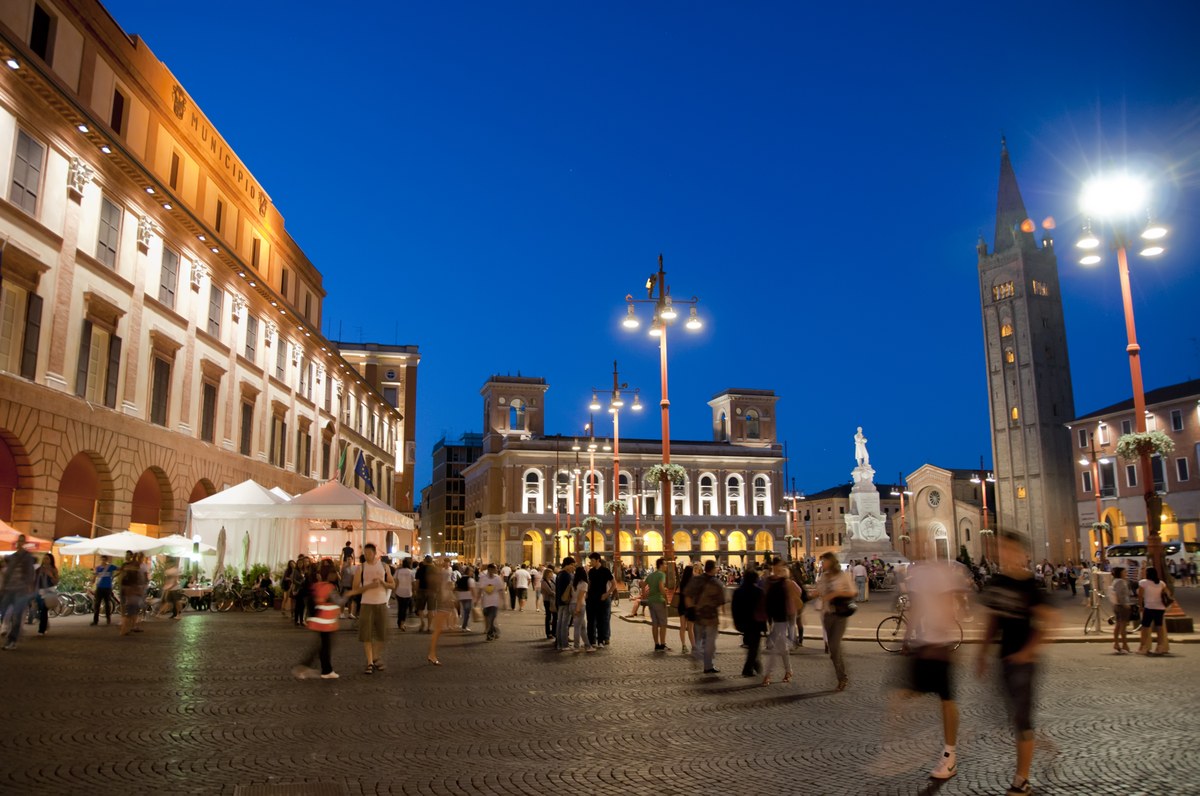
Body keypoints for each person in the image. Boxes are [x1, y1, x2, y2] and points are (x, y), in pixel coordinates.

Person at [976, 529, 1057, 796]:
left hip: (1023, 662)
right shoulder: (997, 582)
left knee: (1021, 719)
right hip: (1004, 659)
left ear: (1022, 554)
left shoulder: (1030, 586)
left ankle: (1021, 779)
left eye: (1010, 549)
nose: (1005, 554)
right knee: (1011, 716)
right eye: (1001, 549)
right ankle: (1031, 743)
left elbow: (1048, 622)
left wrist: (1027, 652)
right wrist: (982, 652)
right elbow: (992, 619)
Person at [896, 558, 970, 780]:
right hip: (925, 643)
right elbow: (918, 608)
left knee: (947, 700)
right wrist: (907, 637)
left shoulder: (939, 572)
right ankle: (898, 749)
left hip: (939, 644)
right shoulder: (917, 574)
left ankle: (950, 755)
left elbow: (949, 604)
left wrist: (943, 638)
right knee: (906, 693)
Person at [293, 558, 342, 679]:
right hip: (325, 622)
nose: (336, 575)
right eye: (334, 573)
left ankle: (325, 669)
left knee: (321, 646)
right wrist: (351, 593)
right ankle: (310, 668)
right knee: (322, 646)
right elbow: (339, 601)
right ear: (329, 574)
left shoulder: (318, 585)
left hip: (319, 620)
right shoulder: (328, 587)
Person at [350, 543, 393, 674]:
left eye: (369, 553)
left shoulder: (384, 566)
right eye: (365, 553)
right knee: (366, 634)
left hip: (381, 602)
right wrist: (369, 586)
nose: (367, 555)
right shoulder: (361, 568)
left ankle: (375, 657)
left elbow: (392, 584)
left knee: (382, 635)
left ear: (375, 553)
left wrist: (383, 583)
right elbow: (355, 588)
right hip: (366, 603)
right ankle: (369, 662)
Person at [817, 551, 856, 691]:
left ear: (831, 562)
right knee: (834, 650)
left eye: (824, 561)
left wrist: (837, 593)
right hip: (827, 614)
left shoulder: (843, 576)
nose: (822, 564)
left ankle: (842, 677)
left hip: (840, 615)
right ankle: (839, 668)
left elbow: (853, 592)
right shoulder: (823, 576)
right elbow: (820, 593)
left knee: (834, 645)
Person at [760, 558, 802, 685]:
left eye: (779, 566)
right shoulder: (770, 581)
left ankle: (768, 674)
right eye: (775, 566)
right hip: (775, 617)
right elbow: (766, 597)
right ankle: (789, 671)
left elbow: (799, 592)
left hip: (784, 616)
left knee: (774, 648)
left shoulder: (786, 582)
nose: (777, 568)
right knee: (782, 647)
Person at [685, 560, 726, 674]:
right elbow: (722, 601)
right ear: (713, 569)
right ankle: (708, 664)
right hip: (711, 617)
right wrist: (724, 616)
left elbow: (687, 595)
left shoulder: (696, 580)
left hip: (698, 615)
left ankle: (698, 652)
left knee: (699, 638)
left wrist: (691, 609)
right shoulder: (716, 583)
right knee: (710, 642)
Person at [0, 535, 37, 650]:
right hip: (9, 589)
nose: (19, 543)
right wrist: (4, 587)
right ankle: (12, 634)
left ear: (24, 542)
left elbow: (30, 574)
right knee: (4, 612)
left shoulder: (27, 557)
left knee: (16, 615)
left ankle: (12, 640)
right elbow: (8, 574)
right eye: (18, 541)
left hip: (20, 591)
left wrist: (28, 587)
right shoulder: (12, 557)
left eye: (22, 541)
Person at [731, 566, 765, 677]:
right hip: (755, 623)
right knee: (754, 647)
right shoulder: (758, 592)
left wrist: (736, 622)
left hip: (743, 623)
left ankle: (755, 664)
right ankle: (748, 669)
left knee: (751, 646)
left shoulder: (738, 592)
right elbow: (762, 609)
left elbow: (734, 608)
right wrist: (765, 625)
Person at [426, 557, 455, 665]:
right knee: (438, 630)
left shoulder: (448, 571)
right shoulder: (439, 573)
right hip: (442, 600)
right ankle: (432, 654)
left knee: (439, 630)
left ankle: (432, 654)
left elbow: (450, 583)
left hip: (445, 599)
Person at [1137, 567, 1171, 656]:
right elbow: (1167, 594)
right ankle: (1160, 646)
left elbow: (1140, 596)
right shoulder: (1161, 583)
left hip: (1149, 607)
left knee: (1145, 628)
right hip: (1160, 608)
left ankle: (1143, 647)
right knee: (1159, 628)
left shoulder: (1143, 583)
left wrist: (1140, 606)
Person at [585, 553, 616, 648]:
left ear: (598, 560)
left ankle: (601, 640)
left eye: (592, 560)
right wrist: (586, 594)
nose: (591, 562)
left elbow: (614, 584)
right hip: (591, 598)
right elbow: (589, 584)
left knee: (601, 620)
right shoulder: (591, 571)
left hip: (601, 598)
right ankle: (591, 641)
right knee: (590, 620)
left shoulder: (605, 571)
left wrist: (607, 594)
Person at [644, 558, 670, 652]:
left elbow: (643, 584)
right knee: (663, 623)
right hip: (659, 600)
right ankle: (663, 644)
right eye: (665, 564)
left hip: (651, 601)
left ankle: (656, 645)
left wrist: (645, 594)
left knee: (654, 624)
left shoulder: (651, 575)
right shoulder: (661, 574)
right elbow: (661, 587)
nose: (666, 566)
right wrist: (666, 599)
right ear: (661, 565)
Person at [674, 562, 700, 654]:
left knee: (682, 627)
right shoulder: (692, 583)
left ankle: (684, 646)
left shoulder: (682, 583)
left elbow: (677, 592)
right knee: (690, 628)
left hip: (681, 606)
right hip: (690, 607)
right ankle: (693, 646)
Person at [32, 552, 58, 637]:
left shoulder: (53, 569)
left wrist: (51, 575)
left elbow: (56, 582)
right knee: (40, 610)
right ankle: (45, 624)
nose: (45, 560)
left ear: (51, 560)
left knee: (43, 609)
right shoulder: (39, 569)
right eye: (44, 558)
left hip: (49, 591)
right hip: (39, 591)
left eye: (47, 558)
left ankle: (41, 630)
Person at [477, 563, 504, 640]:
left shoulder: (497, 578)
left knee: (491, 618)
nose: (496, 570)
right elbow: (480, 590)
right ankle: (496, 631)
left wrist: (504, 601)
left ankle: (490, 635)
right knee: (488, 619)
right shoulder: (483, 578)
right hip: (485, 602)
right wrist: (477, 600)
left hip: (495, 602)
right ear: (489, 569)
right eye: (494, 569)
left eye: (496, 569)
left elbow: (501, 590)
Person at [1109, 566, 1132, 654]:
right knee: (1123, 626)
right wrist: (1125, 604)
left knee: (1118, 625)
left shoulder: (1114, 581)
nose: (1126, 573)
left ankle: (1117, 643)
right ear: (1120, 573)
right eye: (1124, 572)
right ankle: (1125, 645)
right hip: (1122, 605)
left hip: (1116, 605)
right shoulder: (1121, 582)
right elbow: (1120, 595)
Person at [554, 557, 576, 651]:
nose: (573, 568)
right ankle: (564, 644)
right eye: (572, 565)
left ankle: (558, 643)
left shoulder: (559, 574)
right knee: (564, 624)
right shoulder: (566, 575)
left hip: (559, 601)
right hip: (566, 602)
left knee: (560, 623)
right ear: (568, 565)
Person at [90, 554, 118, 626]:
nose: (103, 561)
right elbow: (95, 576)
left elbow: (120, 569)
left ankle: (108, 619)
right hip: (99, 587)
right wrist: (92, 582)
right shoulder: (98, 568)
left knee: (107, 604)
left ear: (106, 560)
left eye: (104, 559)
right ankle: (95, 620)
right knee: (97, 604)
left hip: (107, 588)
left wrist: (114, 576)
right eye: (102, 559)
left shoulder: (110, 567)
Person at [571, 565, 592, 652]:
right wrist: (578, 608)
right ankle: (576, 646)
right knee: (577, 627)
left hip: (571, 604)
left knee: (583, 626)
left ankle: (587, 645)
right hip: (580, 605)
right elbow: (580, 598)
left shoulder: (572, 582)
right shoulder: (584, 584)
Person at [393, 558, 414, 630]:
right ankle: (402, 623)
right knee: (405, 609)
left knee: (400, 608)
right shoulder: (411, 572)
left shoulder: (398, 571)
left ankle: (399, 623)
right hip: (408, 592)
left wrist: (394, 590)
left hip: (399, 591)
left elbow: (395, 581)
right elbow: (413, 582)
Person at [454, 565, 476, 632]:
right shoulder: (470, 579)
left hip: (461, 596)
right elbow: (472, 589)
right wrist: (475, 598)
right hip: (468, 597)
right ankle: (464, 626)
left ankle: (463, 624)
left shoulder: (461, 578)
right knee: (467, 612)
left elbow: (456, 587)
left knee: (464, 611)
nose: (472, 573)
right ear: (469, 572)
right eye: (472, 571)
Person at [540, 565, 557, 638]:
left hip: (553, 600)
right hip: (547, 601)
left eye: (552, 573)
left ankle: (554, 632)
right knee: (548, 616)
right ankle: (548, 633)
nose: (552, 574)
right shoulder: (544, 582)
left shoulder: (552, 581)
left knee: (555, 616)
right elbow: (550, 592)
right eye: (550, 573)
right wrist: (556, 594)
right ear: (547, 574)